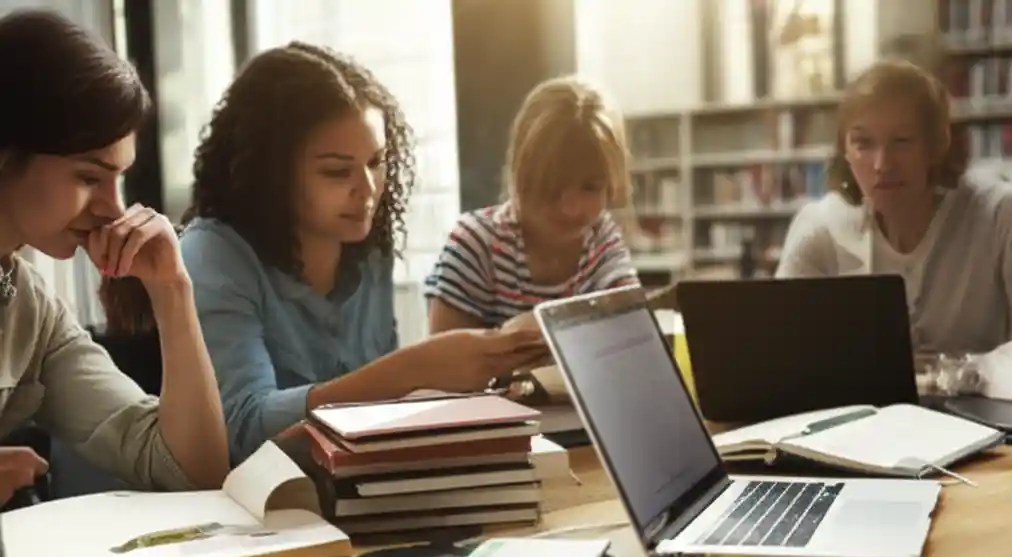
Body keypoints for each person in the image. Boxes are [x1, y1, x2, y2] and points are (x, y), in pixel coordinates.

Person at [181, 43, 545, 466]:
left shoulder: (367, 249)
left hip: (361, 493)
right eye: (337, 171)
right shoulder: (213, 254)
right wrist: (412, 370)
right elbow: (241, 430)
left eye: (377, 162)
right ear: (270, 172)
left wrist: (462, 385)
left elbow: (377, 417)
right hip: (261, 514)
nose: (369, 190)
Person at [0, 9, 228, 507]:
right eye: (88, 178)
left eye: (118, 180)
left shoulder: (31, 311)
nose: (115, 210)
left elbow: (190, 473)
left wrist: (172, 290)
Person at [775, 59, 1012, 357]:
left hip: (977, 416)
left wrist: (980, 372)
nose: (881, 164)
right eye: (863, 144)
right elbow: (776, 349)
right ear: (844, 151)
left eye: (902, 141)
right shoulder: (819, 228)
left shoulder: (999, 215)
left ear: (938, 143)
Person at [424, 76, 639, 334]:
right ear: (520, 173)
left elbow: (632, 330)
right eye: (553, 187)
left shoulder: (601, 239)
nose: (571, 208)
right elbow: (441, 363)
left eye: (591, 187)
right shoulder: (477, 245)